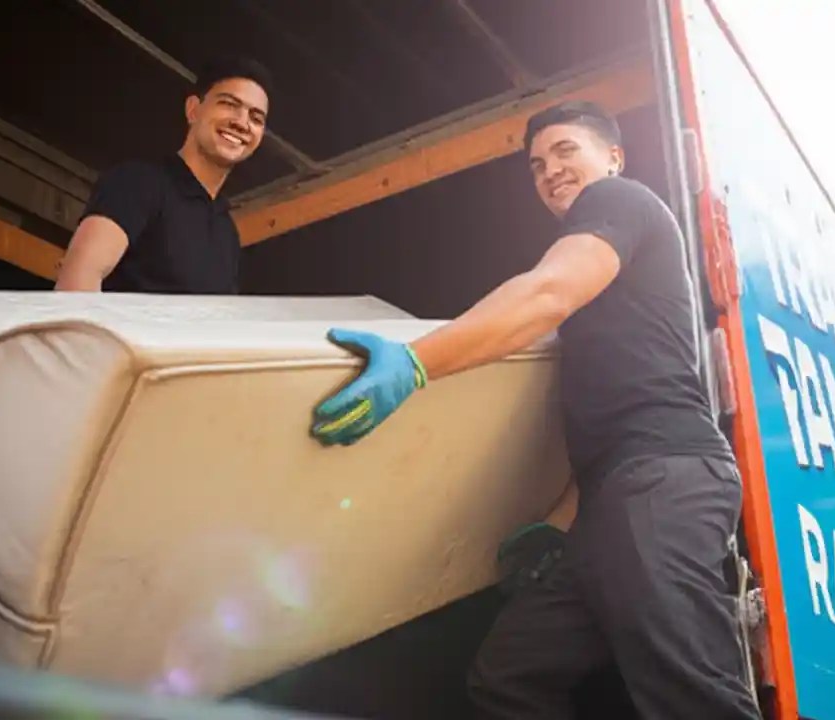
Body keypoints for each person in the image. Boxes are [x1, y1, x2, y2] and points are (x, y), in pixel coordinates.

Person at [308, 100, 760, 719]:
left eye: (566, 151)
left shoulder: (619, 201)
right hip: (610, 501)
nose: (549, 170)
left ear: (614, 158)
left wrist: (415, 365)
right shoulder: (605, 297)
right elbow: (606, 411)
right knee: (509, 677)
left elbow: (547, 294)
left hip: (663, 479)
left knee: (690, 694)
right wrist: (558, 522)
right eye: (537, 164)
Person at [54, 56, 271, 294]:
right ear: (193, 110)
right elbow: (81, 273)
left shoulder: (226, 231)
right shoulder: (139, 182)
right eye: (229, 104)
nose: (242, 123)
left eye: (256, 118)